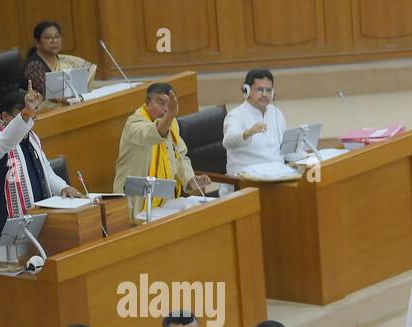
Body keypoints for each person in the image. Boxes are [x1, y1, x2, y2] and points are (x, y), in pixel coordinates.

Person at [0, 86, 81, 263]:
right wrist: (26, 114)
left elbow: (46, 172)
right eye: (24, 113)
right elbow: (5, 142)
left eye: (33, 113)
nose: (32, 117)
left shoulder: (32, 138)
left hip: (40, 223)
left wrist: (64, 187)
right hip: (9, 232)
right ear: (4, 116)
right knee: (17, 288)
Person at [114, 82, 212, 214]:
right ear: (147, 102)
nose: (165, 109)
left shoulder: (171, 123)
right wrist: (170, 114)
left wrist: (190, 180)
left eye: (169, 105)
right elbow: (152, 133)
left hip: (164, 200)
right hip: (136, 203)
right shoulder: (134, 123)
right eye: (161, 103)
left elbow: (179, 155)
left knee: (202, 209)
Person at [221, 68, 289, 175]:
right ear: (246, 90)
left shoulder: (276, 112)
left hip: (277, 174)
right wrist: (247, 133)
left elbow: (285, 148)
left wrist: (310, 159)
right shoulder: (236, 115)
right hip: (247, 180)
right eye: (260, 90)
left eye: (268, 90)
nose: (265, 94)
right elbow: (228, 141)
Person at [23, 20, 96, 97]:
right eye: (48, 38)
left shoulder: (67, 60)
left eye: (57, 37)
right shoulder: (33, 66)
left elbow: (87, 76)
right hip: (46, 107)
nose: (54, 41)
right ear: (37, 42)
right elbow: (50, 94)